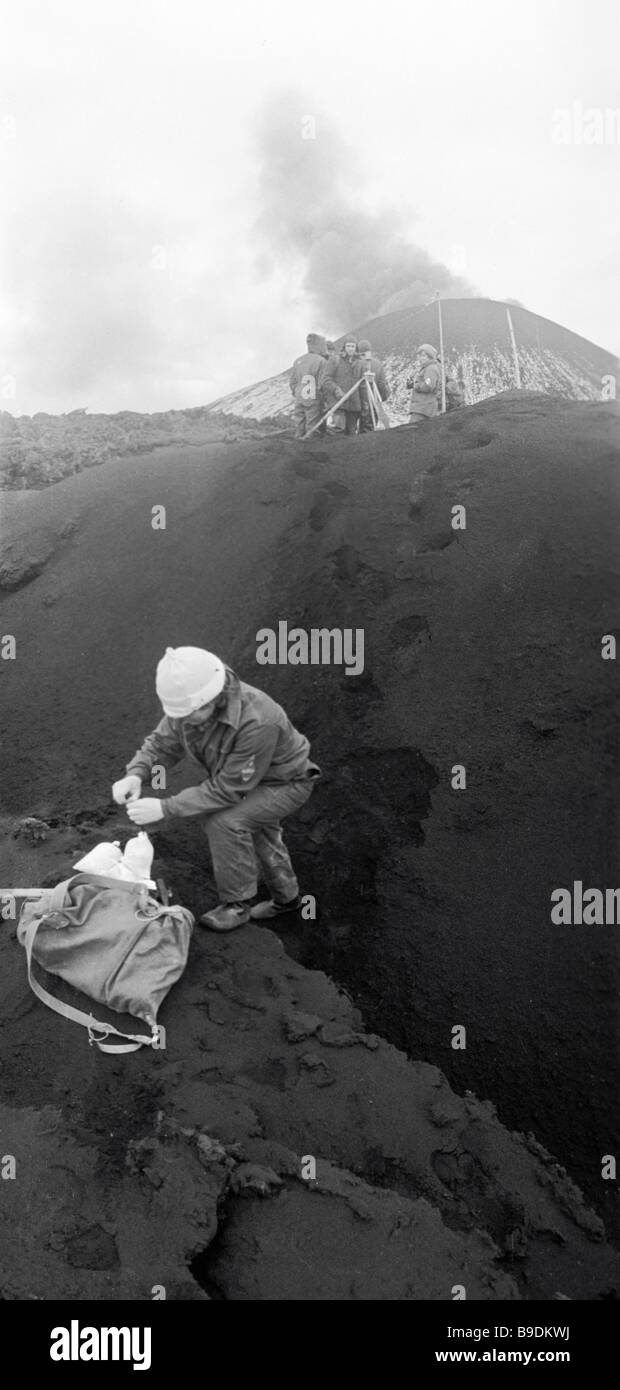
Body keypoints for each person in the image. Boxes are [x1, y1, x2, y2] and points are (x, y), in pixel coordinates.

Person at [111, 647, 320, 932]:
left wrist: (165, 808)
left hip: (284, 783)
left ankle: (237, 905)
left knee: (225, 822)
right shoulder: (189, 706)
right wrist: (136, 774)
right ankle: (288, 900)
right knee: (261, 832)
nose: (184, 720)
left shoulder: (258, 720)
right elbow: (161, 745)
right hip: (244, 778)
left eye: (190, 714)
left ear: (213, 699)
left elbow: (228, 790)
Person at [321, 337, 364, 435]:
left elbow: (362, 385)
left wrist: (363, 404)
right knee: (339, 431)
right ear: (344, 347)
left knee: (351, 434)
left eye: (352, 346)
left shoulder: (360, 363)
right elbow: (326, 379)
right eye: (348, 346)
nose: (350, 348)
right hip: (339, 403)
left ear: (356, 348)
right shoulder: (335, 360)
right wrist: (336, 389)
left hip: (354, 405)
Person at [289, 333, 329, 439]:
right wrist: (325, 400)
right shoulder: (321, 361)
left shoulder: (298, 361)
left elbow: (292, 382)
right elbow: (323, 383)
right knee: (312, 430)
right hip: (313, 399)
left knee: (299, 427)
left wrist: (297, 392)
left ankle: (297, 445)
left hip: (299, 399)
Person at [405, 343, 442, 427]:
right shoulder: (426, 368)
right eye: (419, 355)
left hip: (423, 409)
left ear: (430, 357)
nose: (420, 358)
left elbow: (428, 386)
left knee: (411, 431)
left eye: (423, 356)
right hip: (422, 408)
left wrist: (414, 385)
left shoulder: (431, 369)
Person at [357, 339, 390, 432]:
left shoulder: (356, 363)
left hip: (357, 401)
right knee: (368, 429)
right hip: (373, 401)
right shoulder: (377, 364)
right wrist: (382, 398)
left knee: (352, 429)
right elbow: (382, 384)